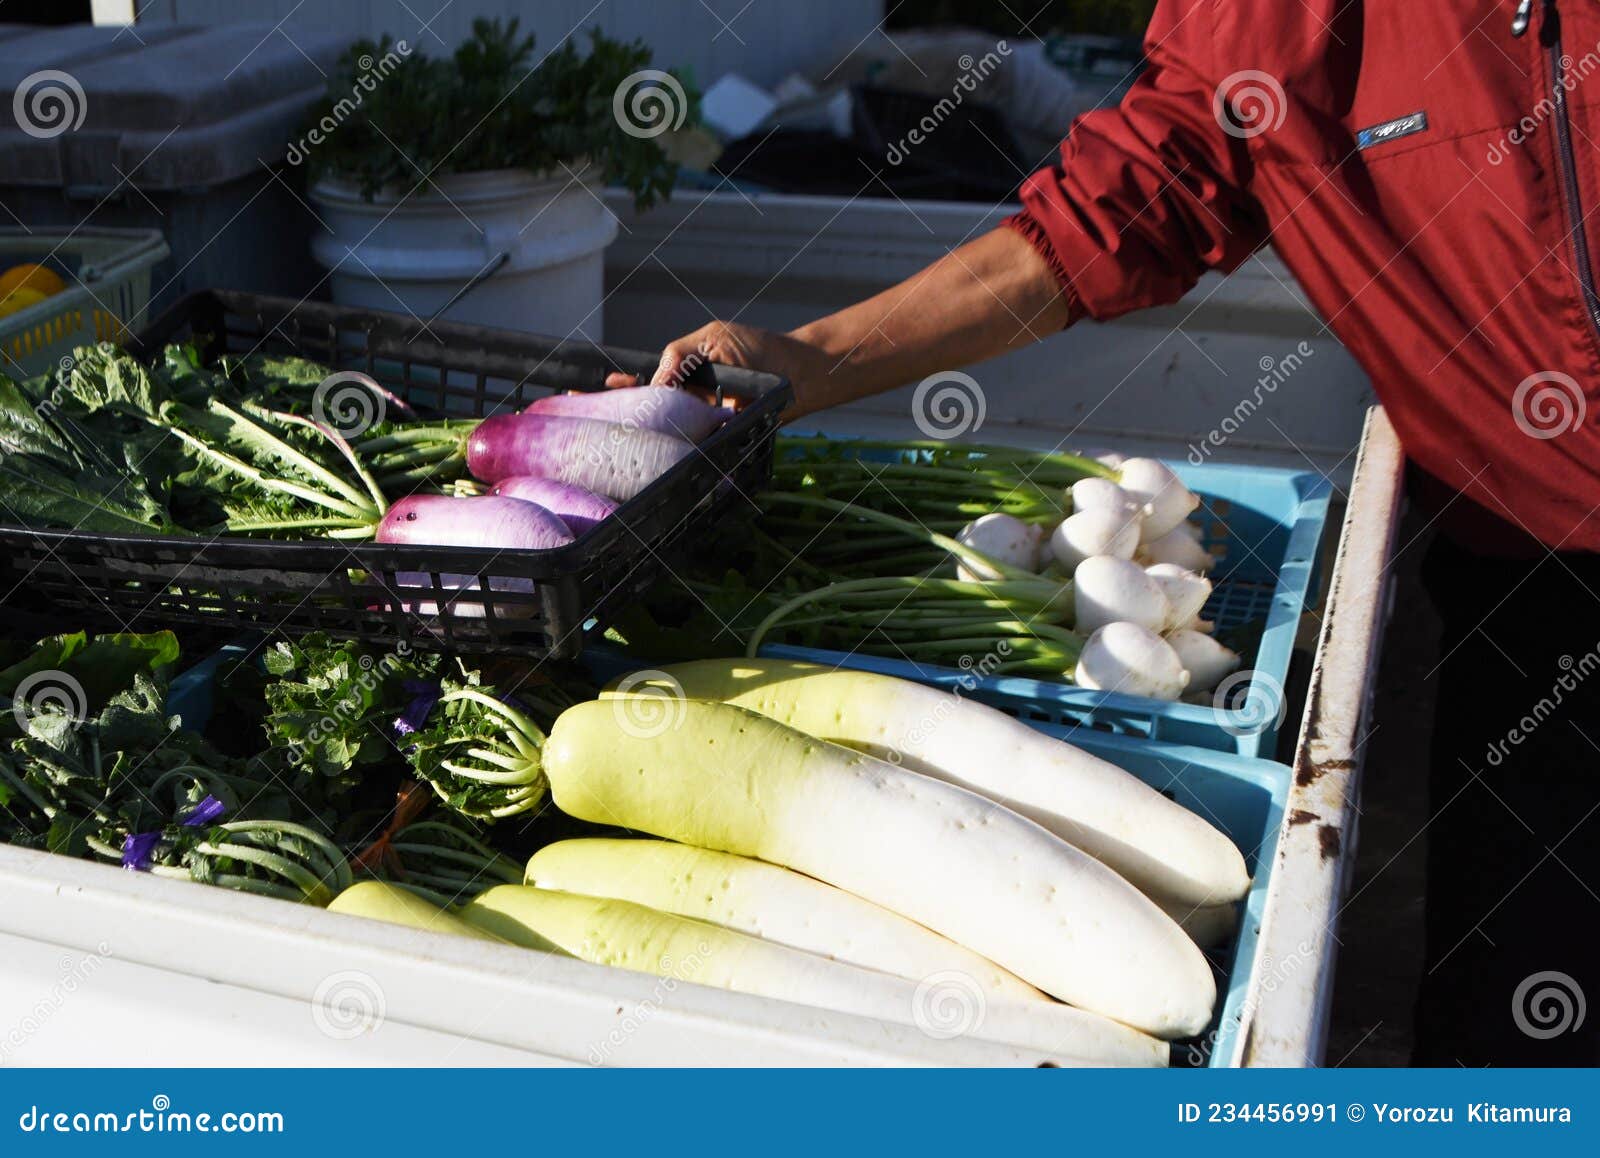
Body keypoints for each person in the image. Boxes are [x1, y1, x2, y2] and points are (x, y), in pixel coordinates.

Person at [612, 1, 1600, 1066]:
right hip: (1539, 566)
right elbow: (1127, 199)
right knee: (1525, 1006)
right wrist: (813, 360)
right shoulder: (1274, 21)